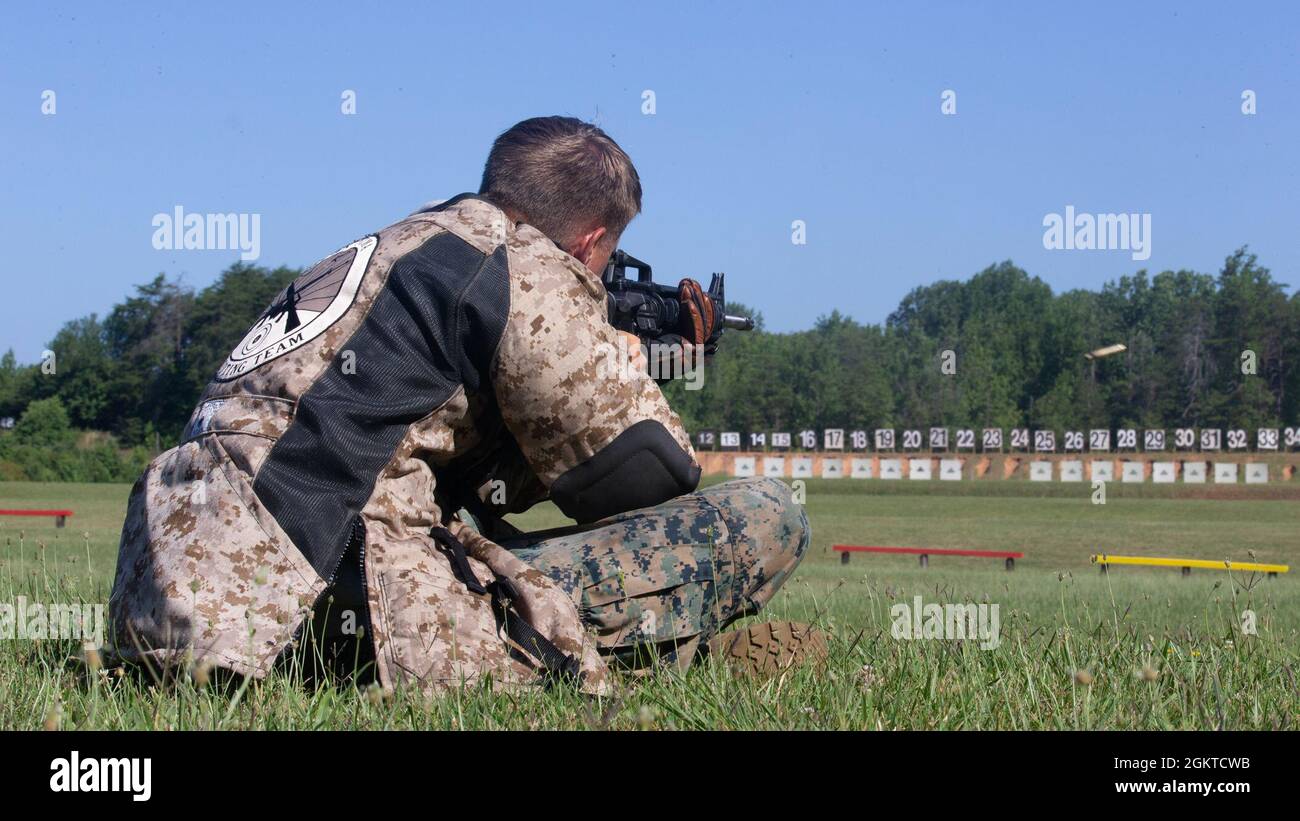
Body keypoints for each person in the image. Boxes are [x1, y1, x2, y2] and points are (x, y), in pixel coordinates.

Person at [108, 116, 813, 695]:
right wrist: (634, 367)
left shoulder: (393, 248)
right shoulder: (522, 263)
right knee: (766, 513)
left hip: (171, 589)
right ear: (592, 240)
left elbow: (428, 456)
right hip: (316, 605)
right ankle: (651, 653)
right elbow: (644, 475)